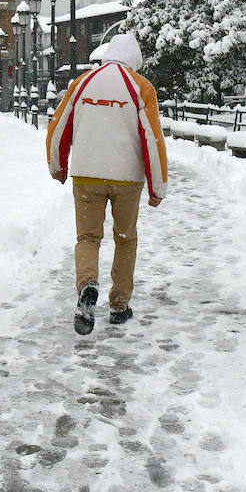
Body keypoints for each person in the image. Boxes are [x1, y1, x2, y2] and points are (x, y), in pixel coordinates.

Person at [45, 32, 167, 335]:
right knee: (125, 238)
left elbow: (59, 127)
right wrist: (157, 186)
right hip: (127, 177)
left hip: (87, 173)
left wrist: (58, 166)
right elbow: (152, 139)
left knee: (87, 237)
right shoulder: (141, 87)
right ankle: (119, 305)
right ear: (135, 60)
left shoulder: (81, 83)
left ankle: (87, 284)